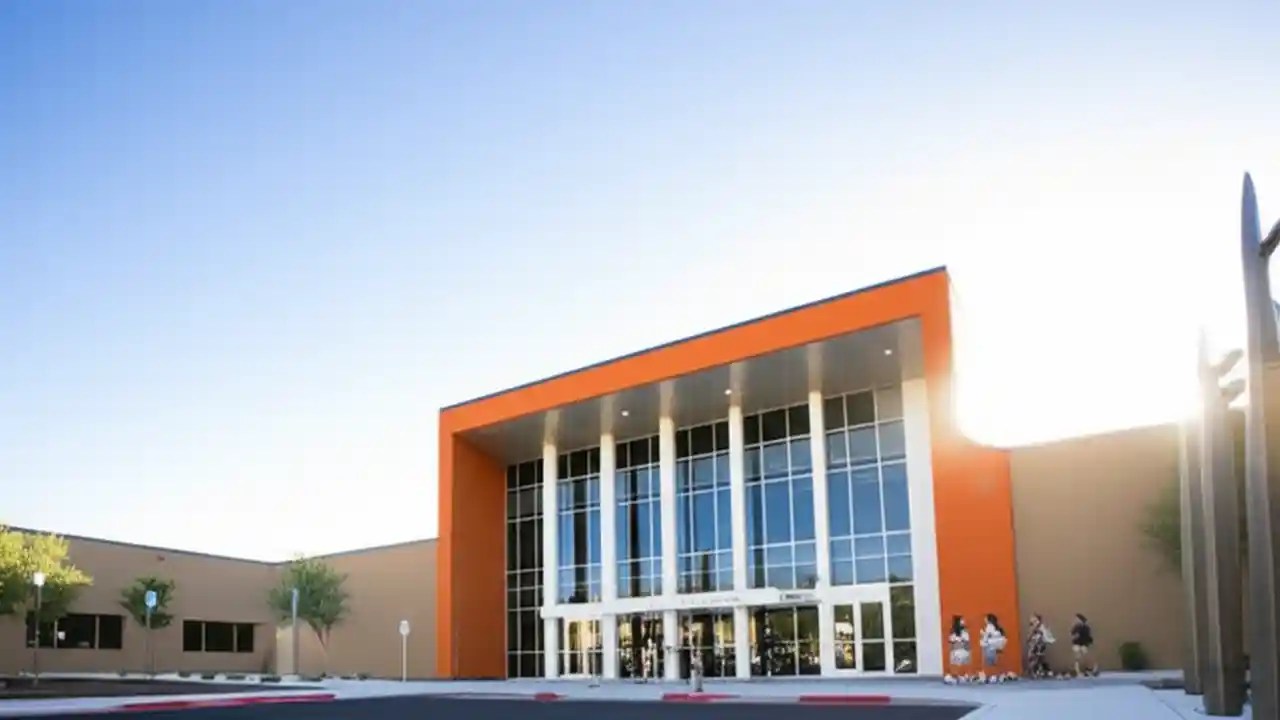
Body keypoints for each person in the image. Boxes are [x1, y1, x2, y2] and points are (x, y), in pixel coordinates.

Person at [1025, 614, 1055, 678]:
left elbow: (1044, 635)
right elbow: (1028, 637)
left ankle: (1037, 672)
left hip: (1039, 645)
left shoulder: (1041, 627)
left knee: (1037, 659)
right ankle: (1037, 671)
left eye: (1034, 619)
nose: (1032, 619)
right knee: (1034, 659)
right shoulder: (1032, 628)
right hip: (1033, 645)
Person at [979, 613, 1007, 681]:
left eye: (985, 618)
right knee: (993, 663)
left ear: (988, 620)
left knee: (988, 663)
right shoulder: (996, 627)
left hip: (989, 646)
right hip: (995, 647)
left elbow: (987, 636)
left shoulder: (989, 626)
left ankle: (991, 675)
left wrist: (982, 633)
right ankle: (997, 675)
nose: (984, 619)